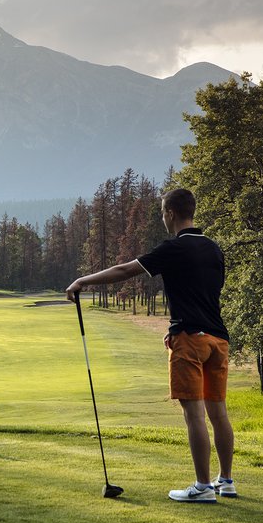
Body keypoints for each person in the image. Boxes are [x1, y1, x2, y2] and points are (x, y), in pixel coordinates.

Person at [66, 188, 235, 503]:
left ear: (170, 213)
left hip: (191, 341)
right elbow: (204, 293)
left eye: (162, 213)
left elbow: (124, 270)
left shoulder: (174, 248)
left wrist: (83, 281)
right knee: (218, 413)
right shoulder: (214, 249)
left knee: (194, 414)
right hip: (218, 340)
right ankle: (225, 481)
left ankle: (202, 487)